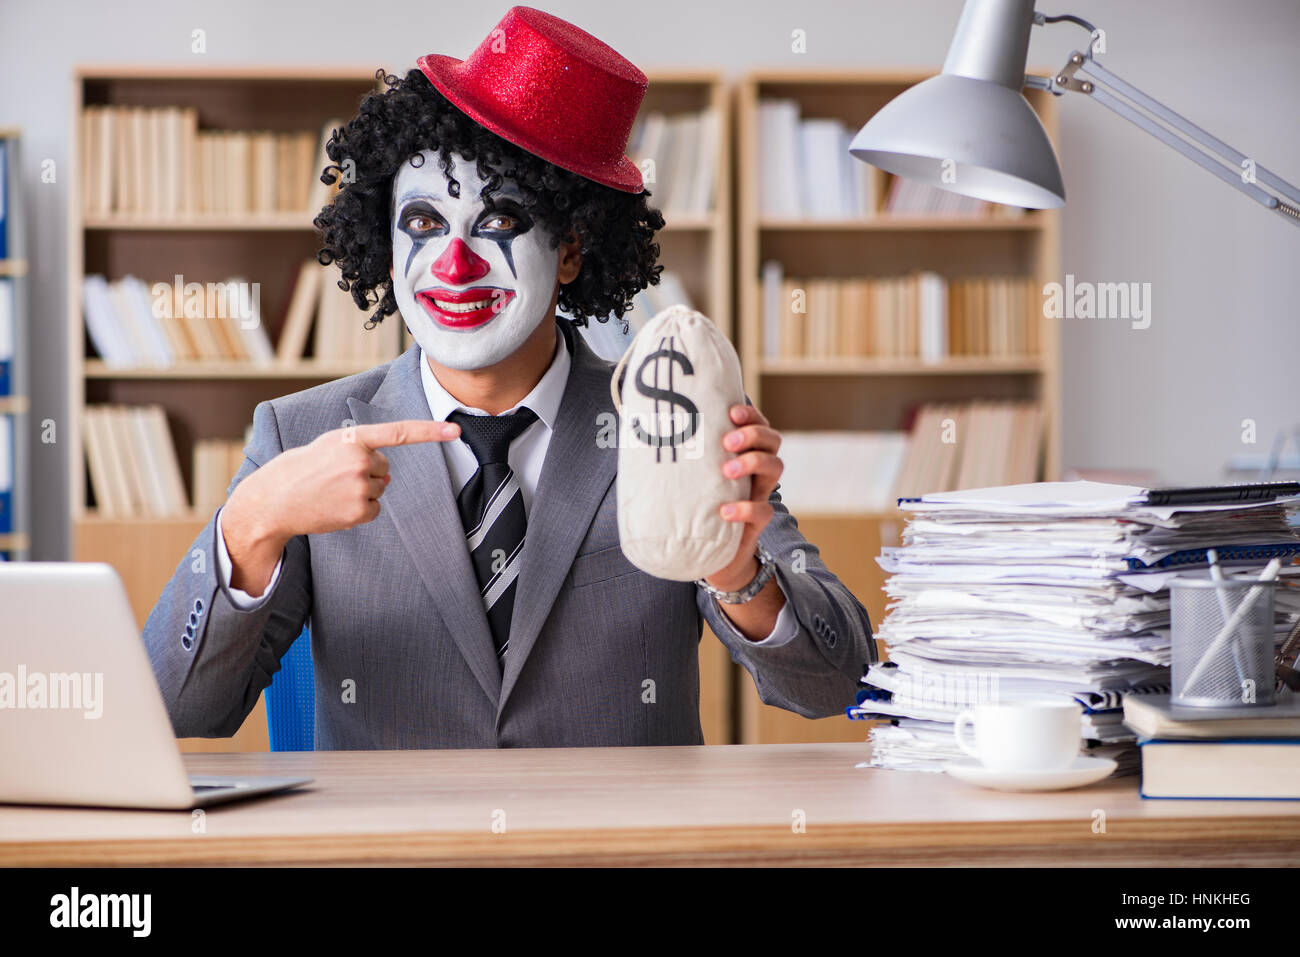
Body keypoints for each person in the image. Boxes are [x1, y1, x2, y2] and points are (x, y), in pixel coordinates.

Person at [142, 6, 876, 748]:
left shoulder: (676, 415)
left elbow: (841, 683)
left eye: (497, 223)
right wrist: (251, 521)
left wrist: (736, 571)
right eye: (425, 225)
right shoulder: (298, 435)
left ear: (570, 251)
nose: (455, 265)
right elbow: (176, 712)